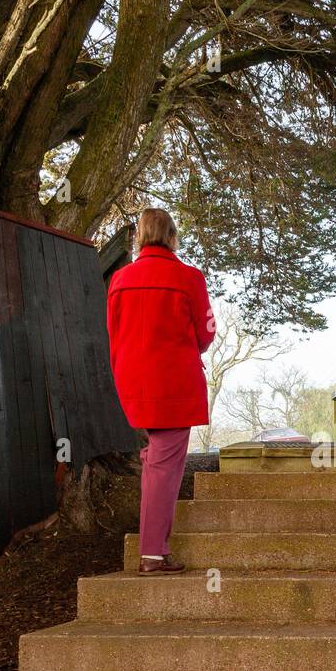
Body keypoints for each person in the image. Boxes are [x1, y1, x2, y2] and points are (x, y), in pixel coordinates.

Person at [107, 208, 216, 574]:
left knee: (159, 453)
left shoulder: (120, 280)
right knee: (167, 465)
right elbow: (206, 332)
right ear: (171, 237)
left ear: (139, 237)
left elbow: (114, 331)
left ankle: (149, 458)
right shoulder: (188, 278)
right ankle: (153, 553)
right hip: (173, 382)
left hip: (132, 381)